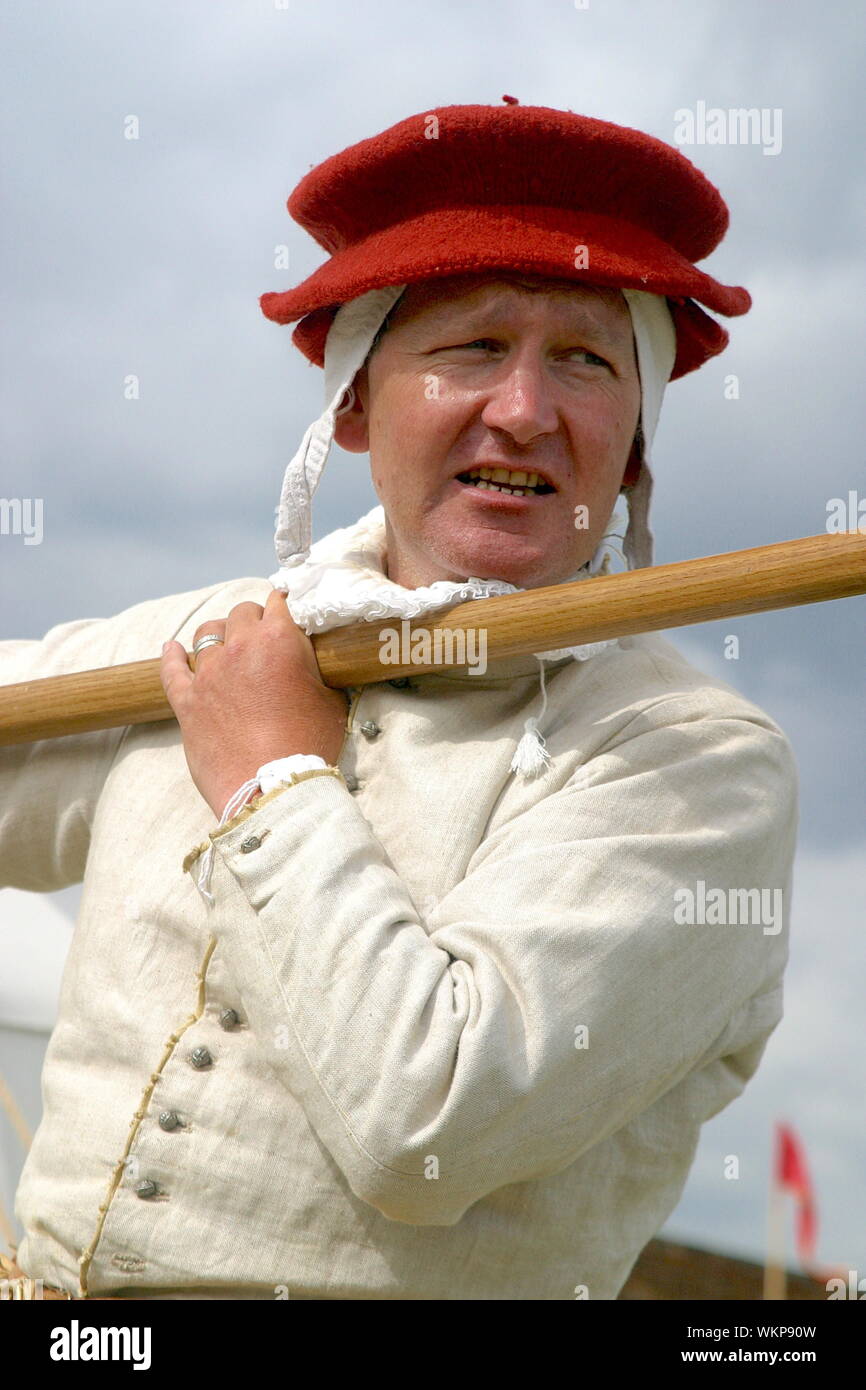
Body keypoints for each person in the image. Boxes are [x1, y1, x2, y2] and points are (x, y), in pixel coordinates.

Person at [0, 100, 797, 1301]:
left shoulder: (693, 763)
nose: (524, 408)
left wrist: (270, 777)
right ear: (357, 408)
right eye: (471, 347)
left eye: (583, 359)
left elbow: (425, 1128)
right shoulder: (218, 644)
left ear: (634, 444)